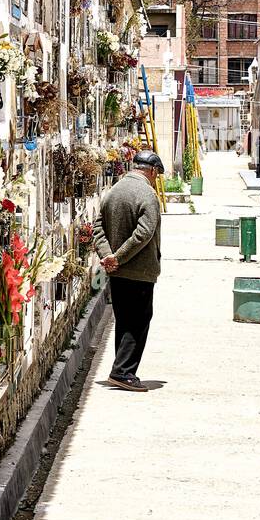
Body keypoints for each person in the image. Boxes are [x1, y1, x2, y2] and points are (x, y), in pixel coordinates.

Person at [93, 149, 164, 392]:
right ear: (152, 171)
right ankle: (123, 372)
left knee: (124, 320)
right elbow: (143, 234)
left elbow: (97, 227)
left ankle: (120, 368)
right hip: (138, 270)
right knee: (138, 321)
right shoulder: (147, 194)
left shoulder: (114, 190)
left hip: (116, 271)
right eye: (157, 175)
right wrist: (118, 257)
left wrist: (107, 257)